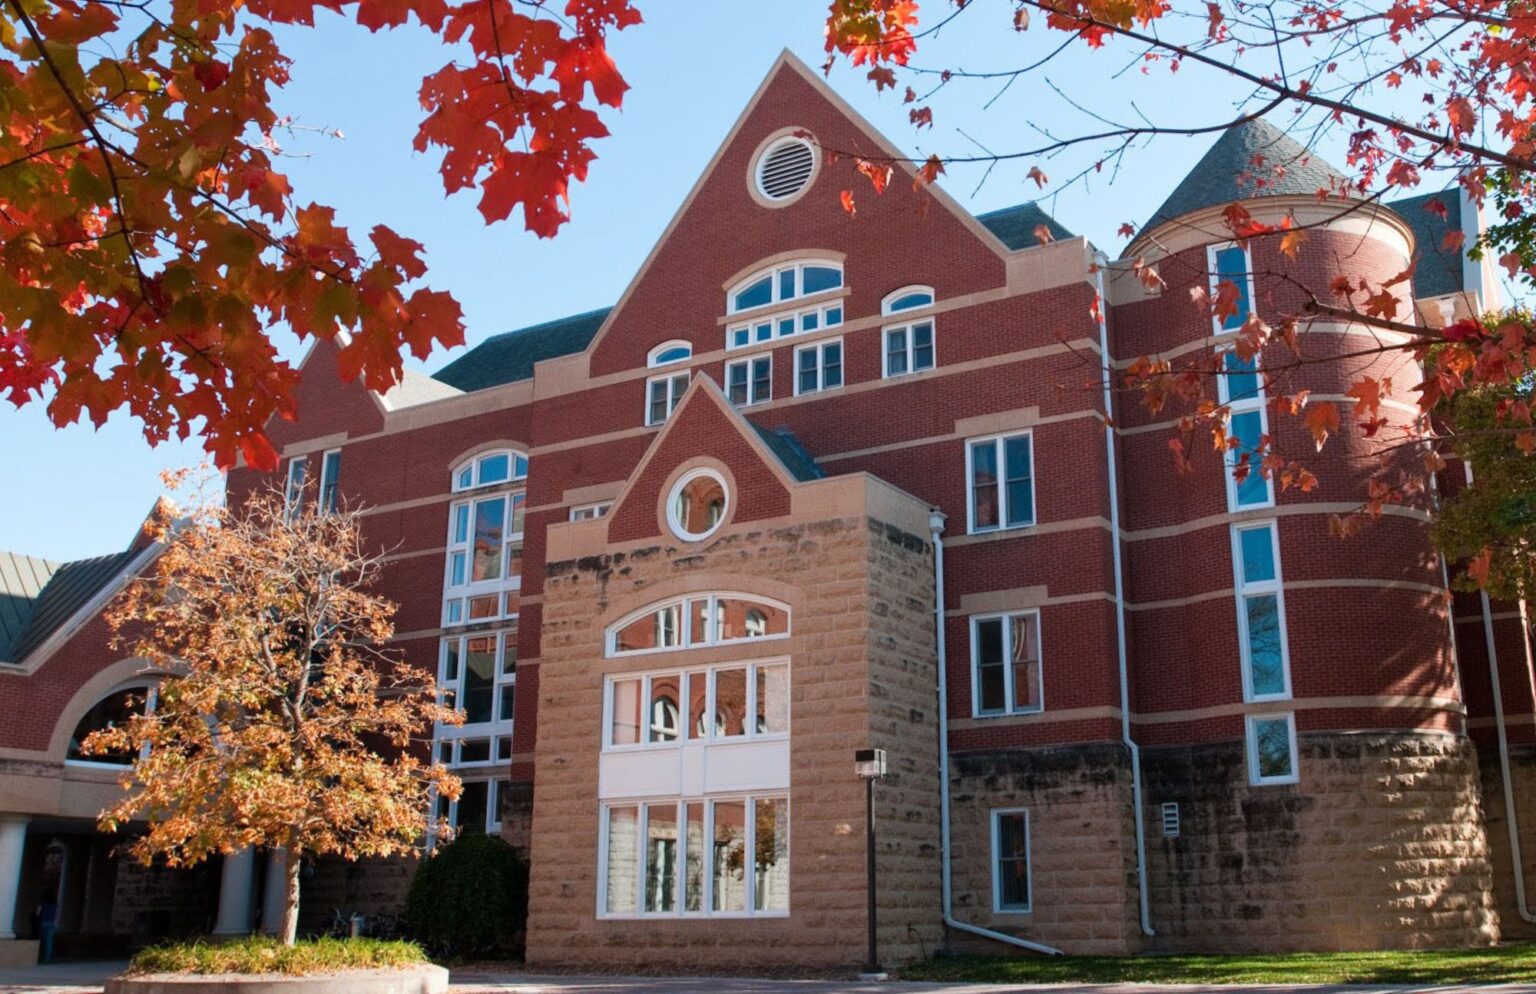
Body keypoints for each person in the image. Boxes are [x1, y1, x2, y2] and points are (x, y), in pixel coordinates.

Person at [35, 896, 57, 964]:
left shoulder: (42, 904)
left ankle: (40, 956)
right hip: (51, 923)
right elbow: (56, 914)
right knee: (49, 942)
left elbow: (37, 914)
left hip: (43, 923)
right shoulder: (55, 905)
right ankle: (47, 959)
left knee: (42, 940)